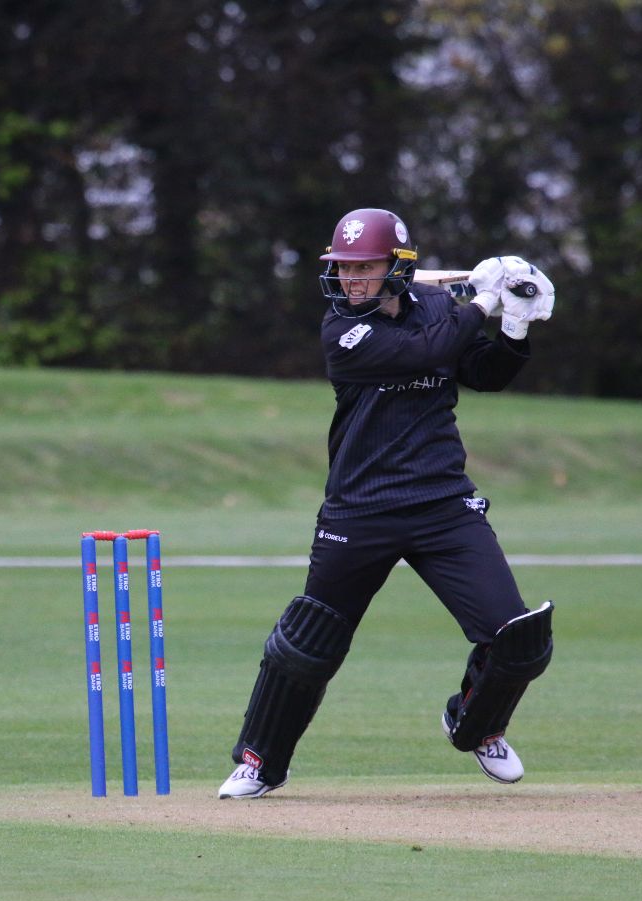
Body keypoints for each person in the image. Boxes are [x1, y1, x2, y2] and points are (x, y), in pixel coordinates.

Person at [218, 208, 556, 799]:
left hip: (442, 503)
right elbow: (425, 352)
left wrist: (516, 324)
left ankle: (478, 725)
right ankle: (260, 761)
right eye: (343, 267)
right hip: (359, 508)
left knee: (517, 637)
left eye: (364, 267)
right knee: (308, 644)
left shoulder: (436, 312)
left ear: (397, 267)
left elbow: (482, 370)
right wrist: (482, 302)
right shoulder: (342, 331)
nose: (350, 279)